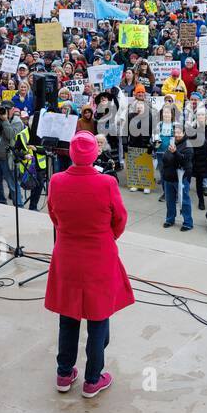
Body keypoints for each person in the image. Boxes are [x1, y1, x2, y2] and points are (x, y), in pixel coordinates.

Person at [44, 131, 133, 398]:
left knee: (68, 317)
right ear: (94, 154)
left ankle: (63, 372)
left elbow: (53, 214)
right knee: (98, 317)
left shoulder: (57, 181)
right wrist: (107, 237)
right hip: (99, 256)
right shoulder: (106, 183)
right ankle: (93, 379)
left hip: (68, 254)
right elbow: (120, 218)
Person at [0, 105, 25, 205]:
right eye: (3, 110)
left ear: (12, 110)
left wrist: (5, 120)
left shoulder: (17, 121)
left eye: (7, 110)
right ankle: (0, 204)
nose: (4, 112)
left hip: (8, 157)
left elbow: (10, 134)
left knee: (12, 184)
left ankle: (19, 206)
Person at [159, 124, 194, 231]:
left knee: (184, 201)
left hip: (180, 178)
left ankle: (188, 222)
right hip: (168, 177)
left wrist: (175, 152)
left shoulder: (188, 145)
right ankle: (170, 219)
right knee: (170, 201)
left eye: (179, 132)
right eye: (175, 132)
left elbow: (185, 161)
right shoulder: (172, 142)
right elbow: (165, 158)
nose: (177, 134)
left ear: (184, 133)